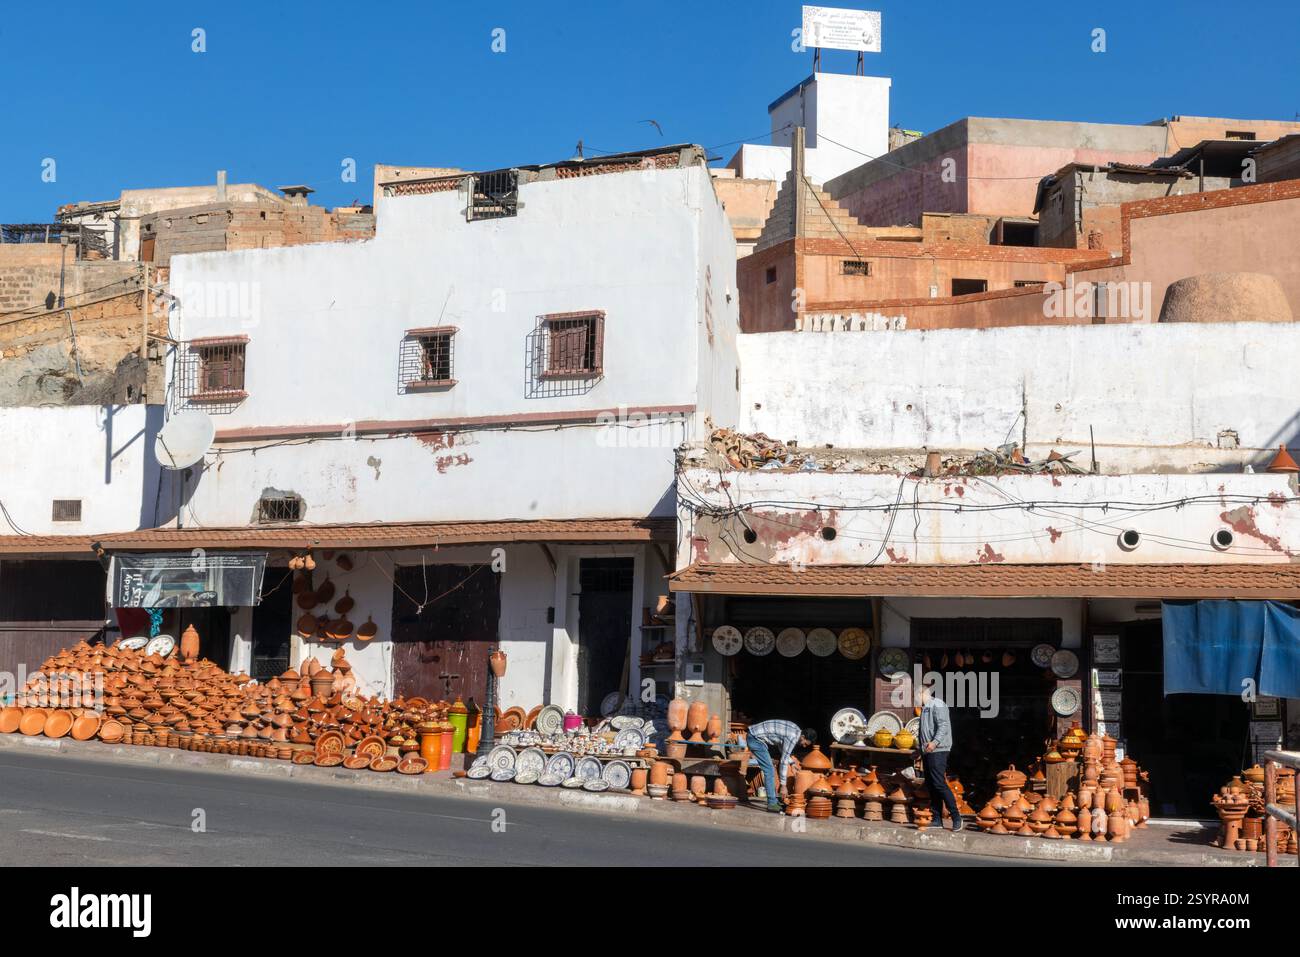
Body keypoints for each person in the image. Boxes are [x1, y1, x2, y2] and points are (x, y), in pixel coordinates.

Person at [744, 719, 817, 813]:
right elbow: (783, 760)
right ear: (802, 737)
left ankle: (773, 801)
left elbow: (782, 747)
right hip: (754, 738)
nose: (803, 746)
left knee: (769, 769)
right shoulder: (792, 737)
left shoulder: (796, 730)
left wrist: (792, 763)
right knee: (769, 770)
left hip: (754, 736)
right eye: (805, 743)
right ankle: (771, 804)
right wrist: (783, 785)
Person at [917, 685, 963, 830]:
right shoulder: (925, 709)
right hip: (928, 751)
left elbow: (943, 726)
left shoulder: (938, 704)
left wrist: (935, 743)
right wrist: (919, 750)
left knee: (939, 783)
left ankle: (956, 817)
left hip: (938, 750)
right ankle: (937, 819)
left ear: (923, 693)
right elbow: (925, 732)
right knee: (931, 784)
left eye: (916, 695)